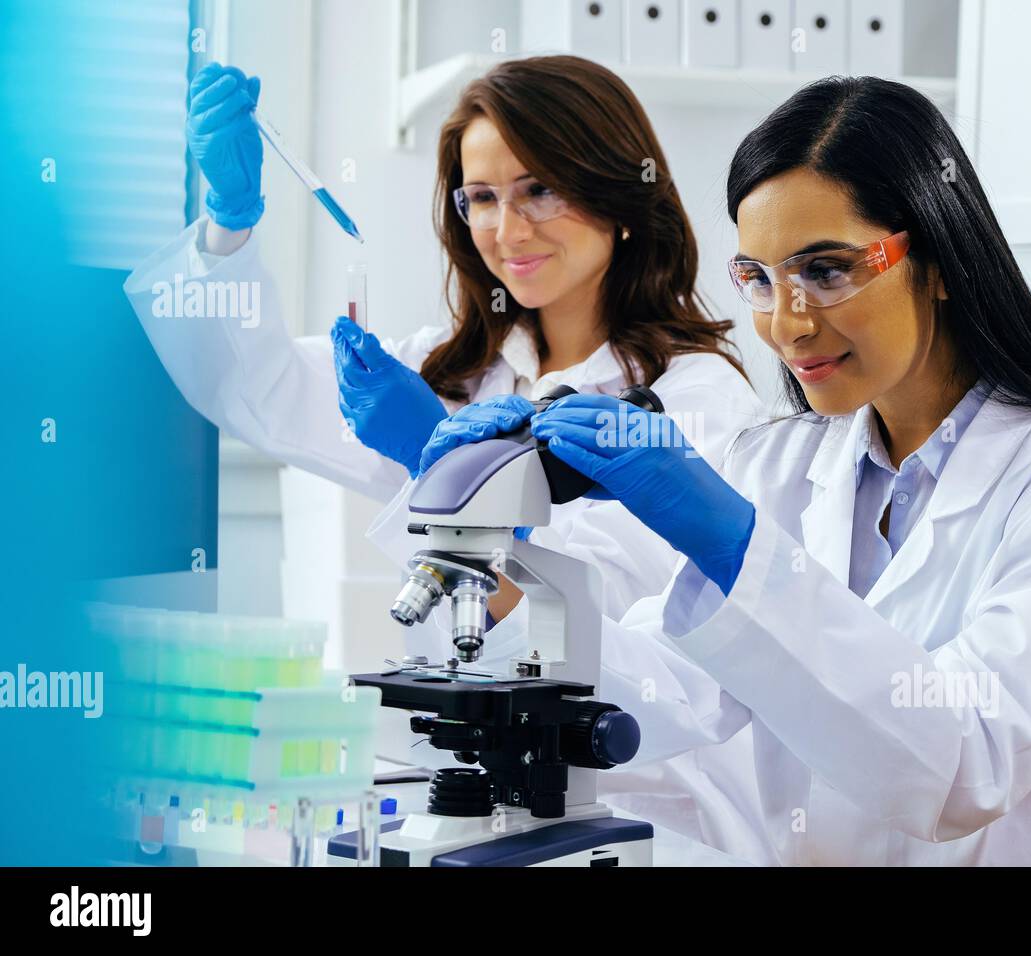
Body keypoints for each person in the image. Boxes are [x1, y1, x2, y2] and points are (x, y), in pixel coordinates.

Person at [416, 76, 1031, 865]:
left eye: (825, 270)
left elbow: (967, 764)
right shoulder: (783, 462)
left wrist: (740, 549)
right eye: (758, 279)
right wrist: (506, 578)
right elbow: (671, 700)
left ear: (934, 256)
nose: (786, 324)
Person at [123, 57, 767, 852]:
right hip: (479, 778)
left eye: (540, 189)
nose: (508, 229)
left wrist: (437, 457)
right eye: (483, 199)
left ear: (621, 200)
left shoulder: (692, 395)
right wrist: (230, 220)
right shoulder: (454, 370)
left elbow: (621, 621)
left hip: (649, 805)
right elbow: (253, 387)